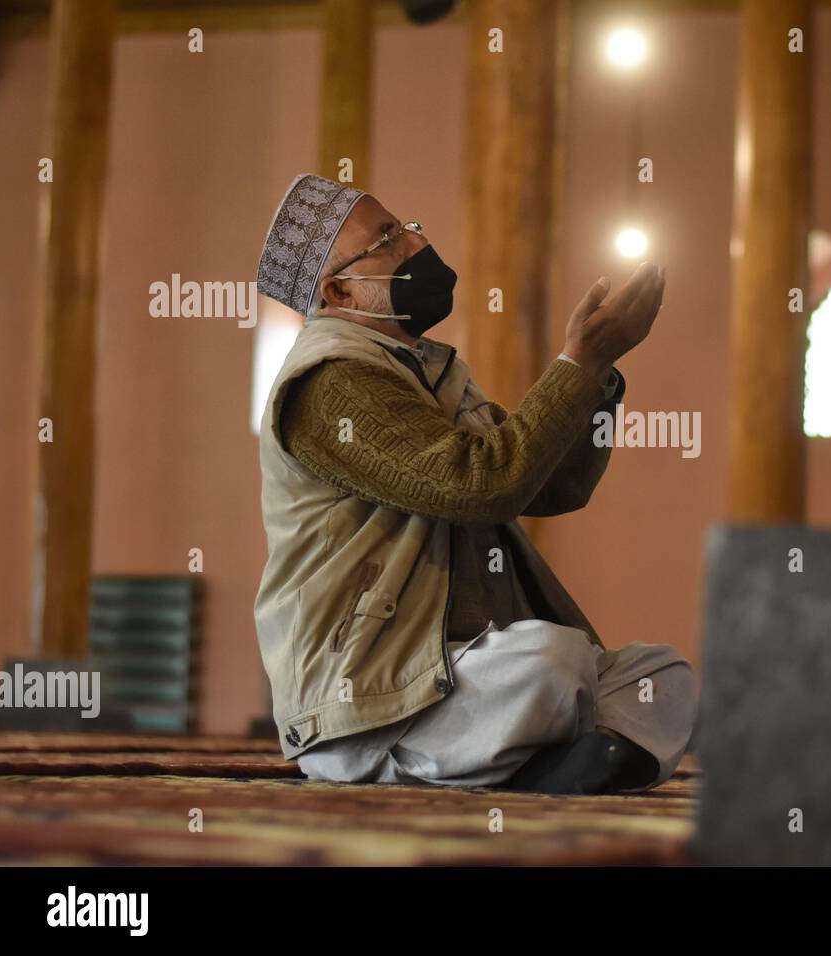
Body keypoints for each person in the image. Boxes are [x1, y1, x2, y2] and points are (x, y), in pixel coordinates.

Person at [252, 173, 696, 793]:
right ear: (339, 290)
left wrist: (599, 378)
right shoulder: (332, 385)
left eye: (403, 225)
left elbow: (550, 487)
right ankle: (534, 763)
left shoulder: (428, 372)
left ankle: (530, 765)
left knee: (664, 675)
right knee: (551, 660)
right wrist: (580, 361)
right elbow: (482, 483)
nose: (412, 241)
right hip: (368, 694)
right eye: (385, 238)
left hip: (455, 671)